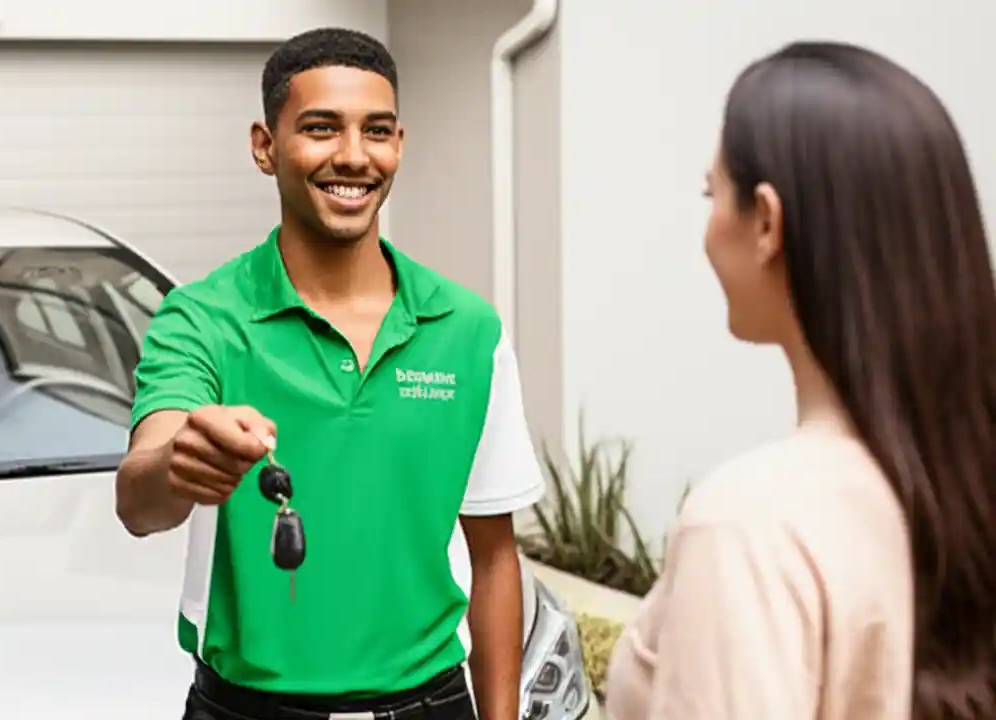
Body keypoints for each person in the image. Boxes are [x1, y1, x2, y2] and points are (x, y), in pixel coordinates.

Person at [114, 27, 545, 720]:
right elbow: (139, 501)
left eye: (376, 131)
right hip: (245, 710)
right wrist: (180, 463)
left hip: (431, 705)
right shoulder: (201, 319)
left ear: (399, 144)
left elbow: (495, 558)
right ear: (265, 145)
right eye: (321, 128)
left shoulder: (468, 331)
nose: (353, 156)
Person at [605, 40, 996, 720]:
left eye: (711, 193)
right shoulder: (961, 489)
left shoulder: (751, 526)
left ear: (766, 221)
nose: (706, 230)